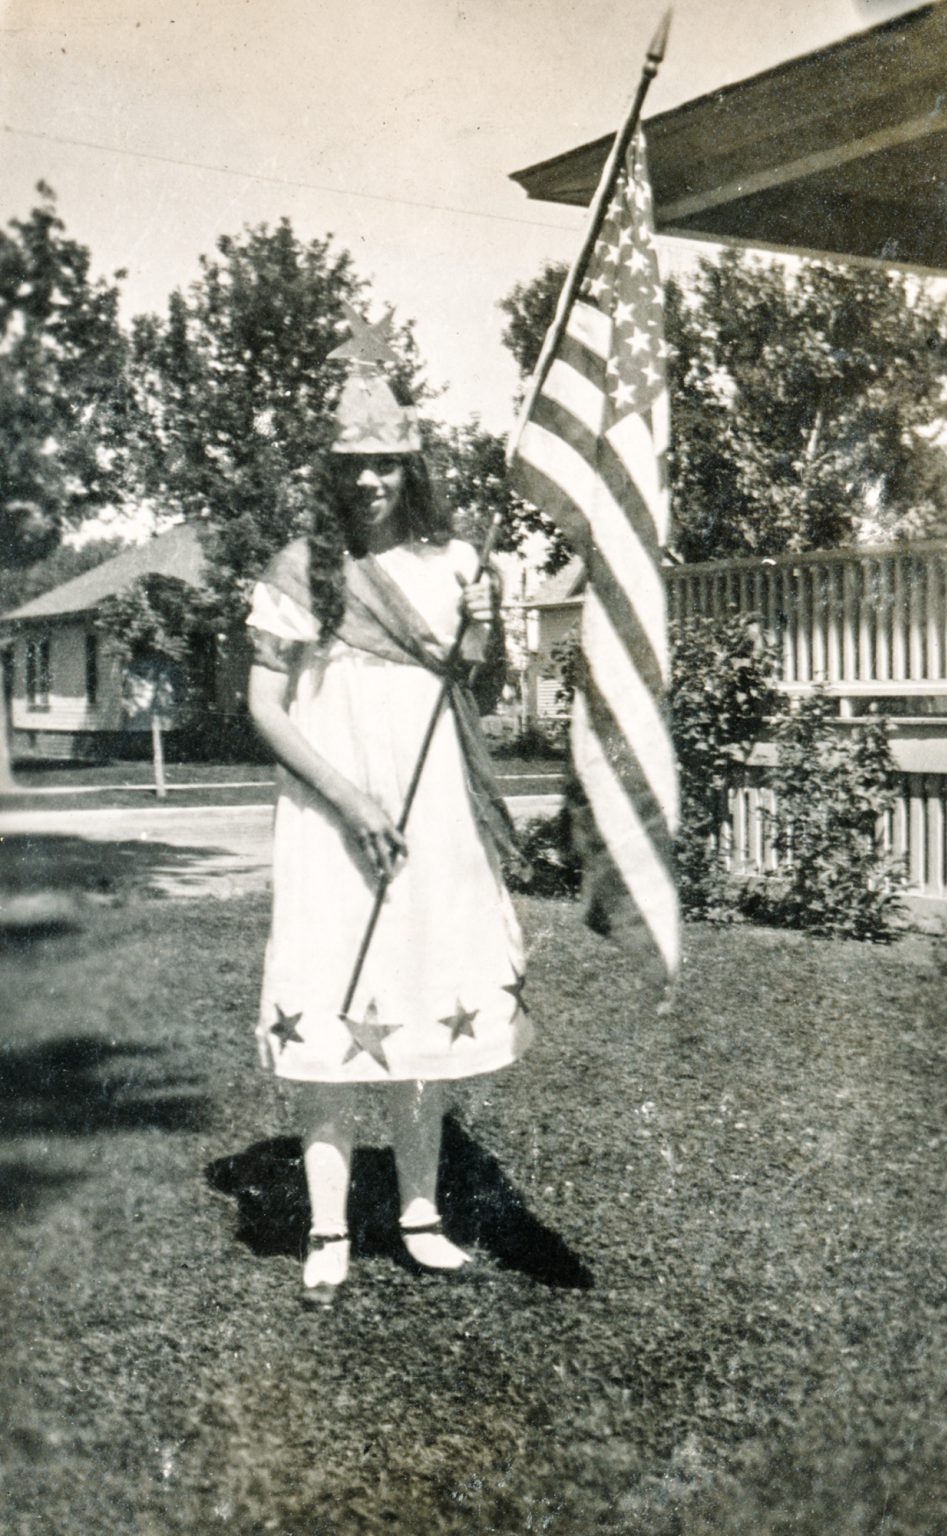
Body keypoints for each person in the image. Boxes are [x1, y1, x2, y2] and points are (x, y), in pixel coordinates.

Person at [245, 337, 533, 1305]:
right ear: (330, 471)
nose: (369, 479)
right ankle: (328, 1226)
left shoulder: (454, 561)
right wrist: (351, 799)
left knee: (419, 987)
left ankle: (419, 1212)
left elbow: (477, 692)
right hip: (332, 816)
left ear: (412, 467)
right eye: (351, 463)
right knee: (331, 994)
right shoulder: (303, 568)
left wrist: (486, 628)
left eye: (386, 461)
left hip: (431, 808)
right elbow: (265, 709)